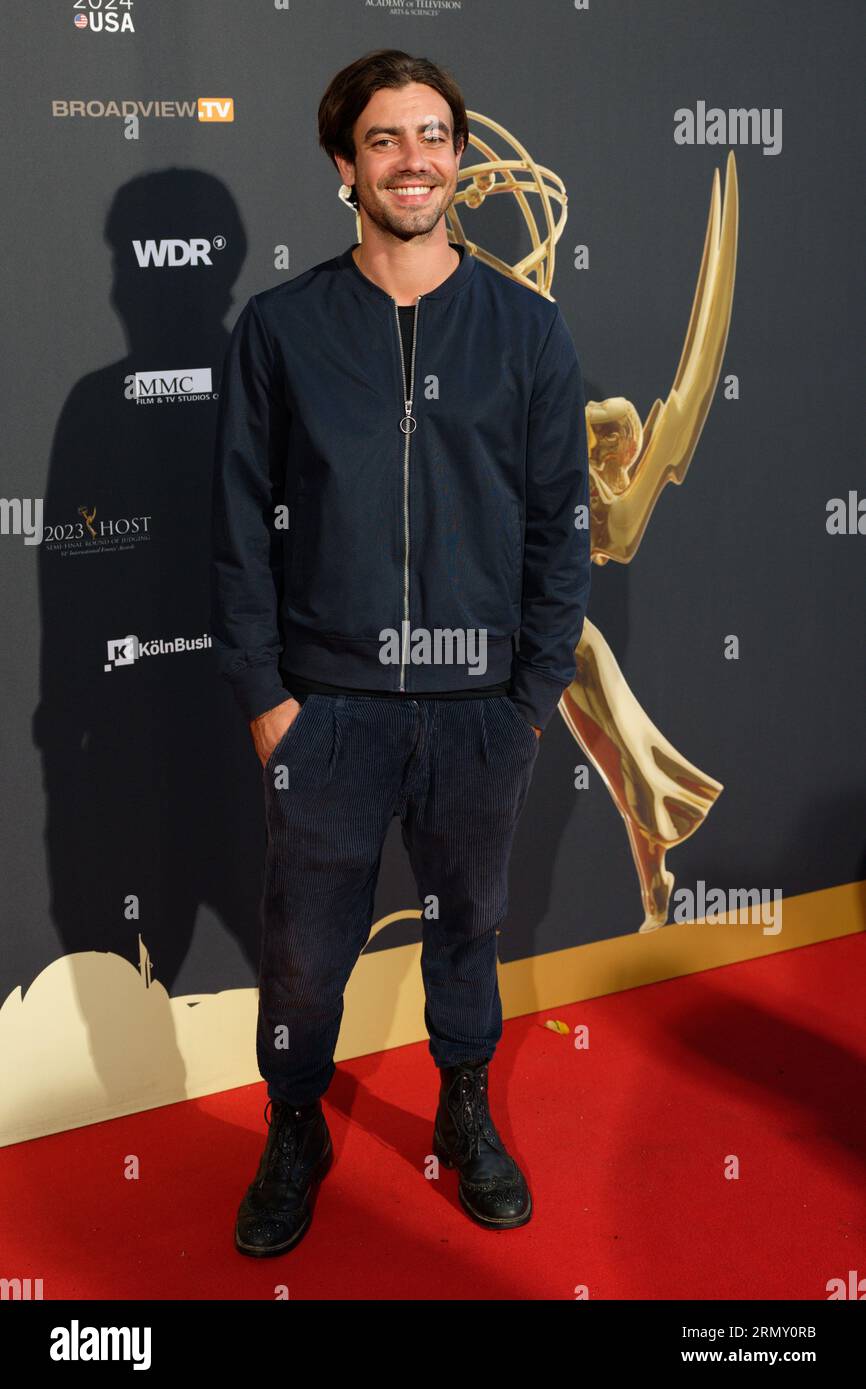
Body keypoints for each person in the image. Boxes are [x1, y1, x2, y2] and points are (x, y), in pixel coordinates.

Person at [210, 48, 592, 1257]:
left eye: (432, 135)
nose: (413, 159)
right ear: (344, 166)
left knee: (468, 932)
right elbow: (237, 530)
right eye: (385, 139)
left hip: (481, 710)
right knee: (302, 959)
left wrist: (528, 697)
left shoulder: (527, 331)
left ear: (461, 158)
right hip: (327, 712)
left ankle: (464, 1112)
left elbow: (558, 530)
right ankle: (294, 1126)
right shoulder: (277, 330)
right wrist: (271, 700)